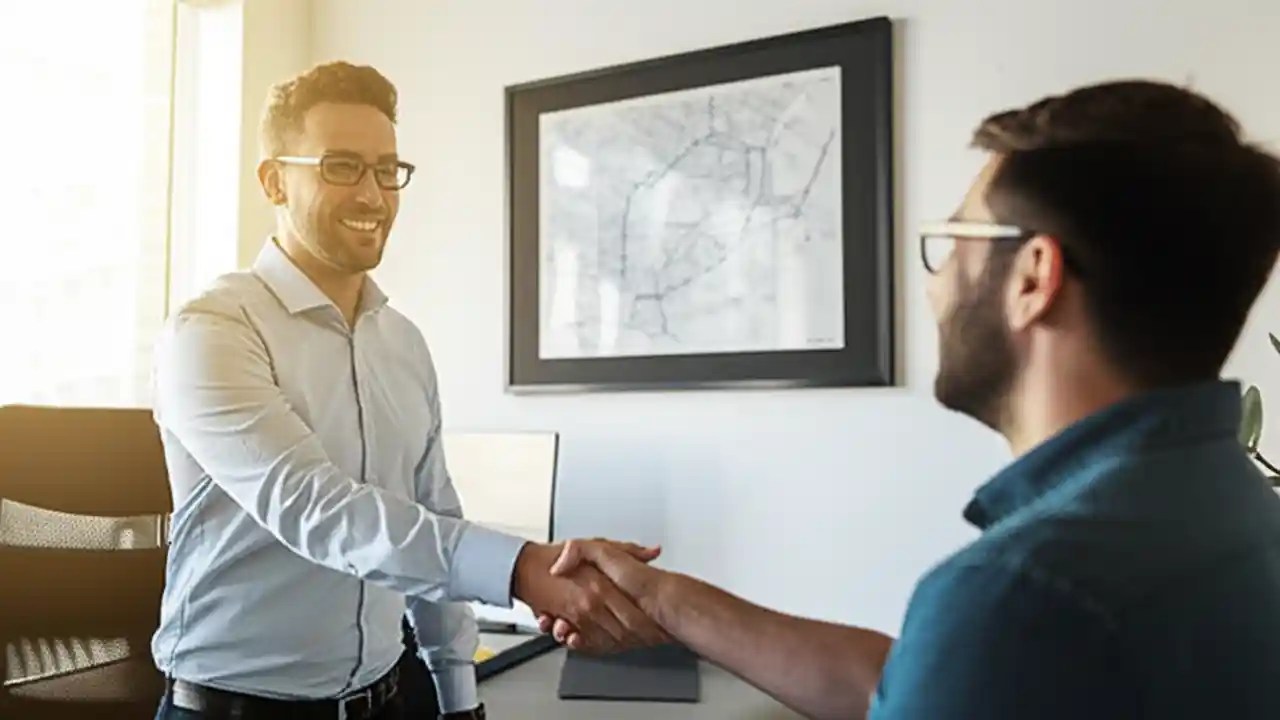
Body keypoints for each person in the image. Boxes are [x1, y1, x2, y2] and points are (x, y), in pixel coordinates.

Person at [541, 79, 1280, 719]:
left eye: (953, 239)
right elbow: (902, 685)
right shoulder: (1234, 515)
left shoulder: (1024, 595)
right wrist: (668, 601)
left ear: (1032, 277)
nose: (936, 283)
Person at [150, 61, 666, 720]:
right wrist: (524, 568)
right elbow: (316, 507)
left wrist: (458, 699)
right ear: (274, 180)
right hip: (229, 710)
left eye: (386, 169)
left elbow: (434, 521)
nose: (372, 195)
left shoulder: (402, 343)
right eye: (341, 166)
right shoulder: (211, 331)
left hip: (384, 702)